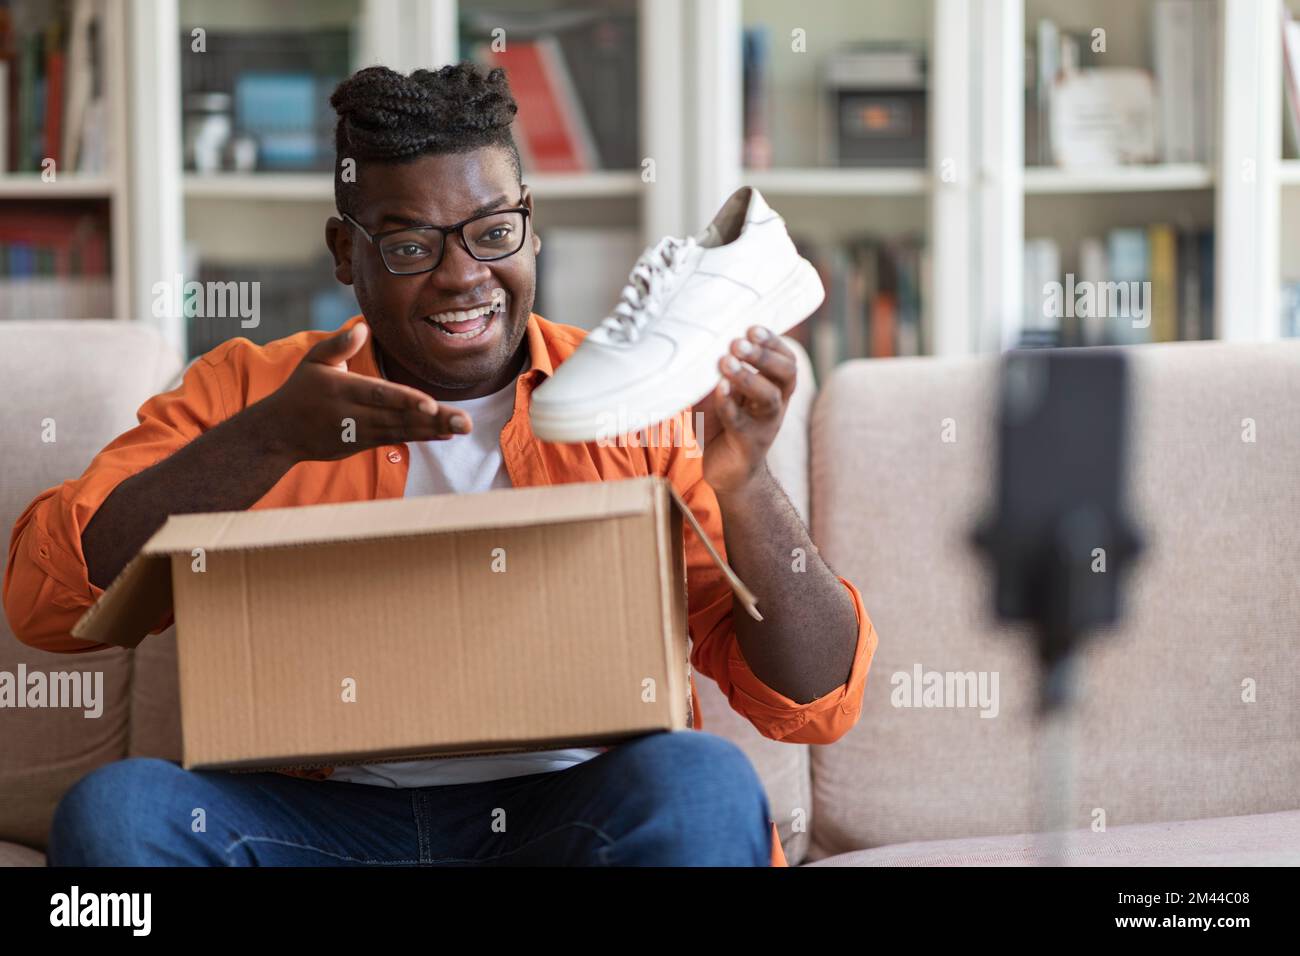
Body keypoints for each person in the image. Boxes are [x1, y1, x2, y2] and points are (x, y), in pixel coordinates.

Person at [4, 63, 877, 866]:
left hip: (565, 815)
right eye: (412, 245)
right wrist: (265, 441)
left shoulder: (634, 400)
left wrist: (745, 479)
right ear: (346, 253)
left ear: (532, 228)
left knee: (702, 782)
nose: (465, 277)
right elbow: (47, 606)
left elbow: (812, 699)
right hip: (315, 822)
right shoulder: (252, 393)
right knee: (118, 812)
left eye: (494, 232)